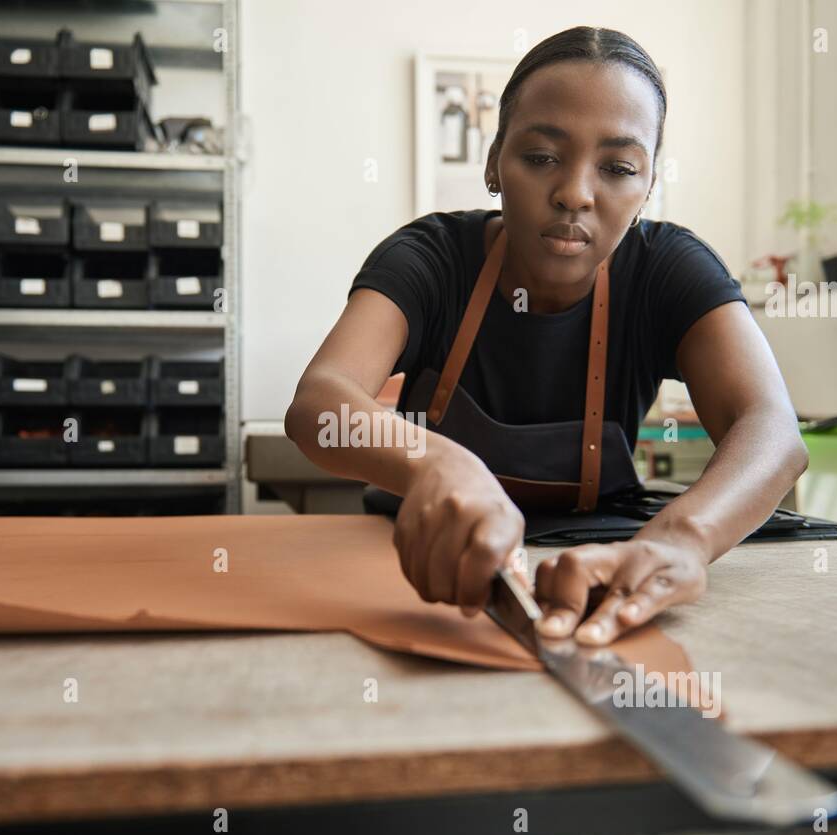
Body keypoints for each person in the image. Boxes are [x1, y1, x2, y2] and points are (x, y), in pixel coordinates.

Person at [286, 26, 806, 646]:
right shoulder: (429, 259)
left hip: (599, 567)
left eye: (617, 167)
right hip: (418, 569)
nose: (575, 194)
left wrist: (682, 541)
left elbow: (773, 431)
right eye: (540, 157)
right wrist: (440, 467)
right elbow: (320, 404)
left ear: (646, 188)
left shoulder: (669, 270)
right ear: (493, 162)